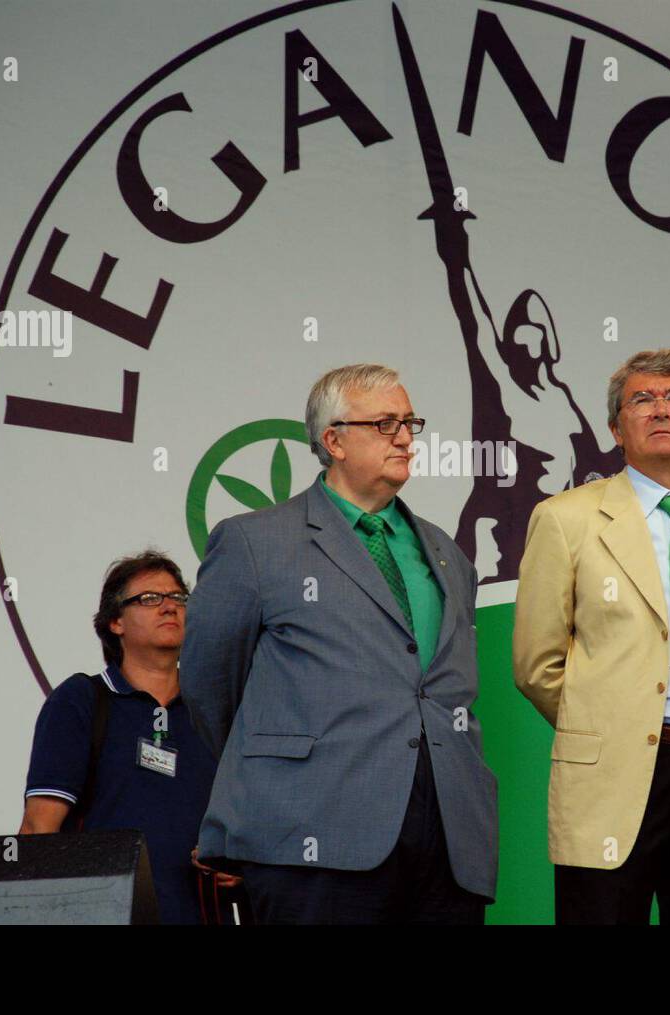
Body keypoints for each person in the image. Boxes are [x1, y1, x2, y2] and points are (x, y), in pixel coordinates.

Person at [180, 363, 497, 924]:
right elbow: (211, 684)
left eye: (409, 422)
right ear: (333, 441)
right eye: (383, 424)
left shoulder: (448, 553)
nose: (404, 437)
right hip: (312, 834)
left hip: (448, 841)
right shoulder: (255, 543)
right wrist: (284, 766)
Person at [513, 348, 670, 924]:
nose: (660, 409)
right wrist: (609, 724)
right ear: (615, 428)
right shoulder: (566, 518)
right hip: (615, 772)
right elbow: (537, 662)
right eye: (641, 400)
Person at [20, 550, 226, 924]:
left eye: (178, 597)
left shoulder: (215, 710)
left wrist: (241, 863)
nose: (169, 607)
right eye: (150, 598)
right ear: (115, 621)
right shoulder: (82, 699)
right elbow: (38, 828)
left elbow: (247, 829)